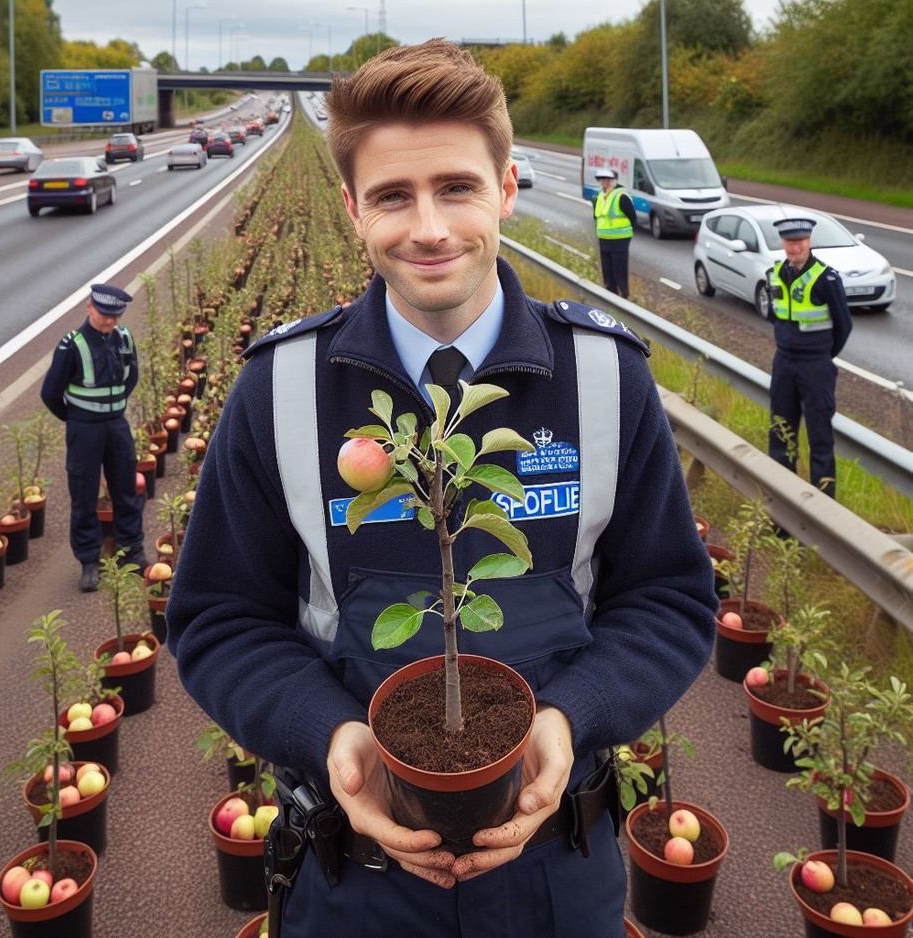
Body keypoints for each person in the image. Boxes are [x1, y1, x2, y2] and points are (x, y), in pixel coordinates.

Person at [166, 39, 716, 938]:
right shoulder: (285, 389)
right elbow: (219, 616)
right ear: (352, 210)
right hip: (353, 875)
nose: (427, 227)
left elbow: (668, 596)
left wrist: (573, 718)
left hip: (558, 870)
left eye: (456, 187)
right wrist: (331, 735)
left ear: (505, 188)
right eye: (392, 195)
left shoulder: (604, 379)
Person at [40, 283, 146, 592]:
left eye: (115, 316)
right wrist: (76, 419)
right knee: (84, 495)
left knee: (126, 488)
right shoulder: (72, 344)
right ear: (89, 308)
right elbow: (49, 393)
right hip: (84, 429)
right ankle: (89, 560)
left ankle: (131, 550)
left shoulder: (123, 338)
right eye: (104, 315)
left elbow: (132, 377)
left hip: (116, 425)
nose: (110, 321)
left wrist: (112, 407)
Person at [767, 217, 852, 499]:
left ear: (809, 241)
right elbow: (774, 316)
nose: (795, 247)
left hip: (816, 366)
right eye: (789, 242)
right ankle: (783, 513)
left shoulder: (826, 278)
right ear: (783, 243)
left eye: (800, 241)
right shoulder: (776, 273)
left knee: (820, 439)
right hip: (784, 364)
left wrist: (822, 357)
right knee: (781, 435)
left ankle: (824, 514)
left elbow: (844, 326)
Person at [593, 167, 637, 298]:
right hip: (604, 240)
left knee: (620, 273)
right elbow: (597, 217)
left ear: (613, 181)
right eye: (601, 180)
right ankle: (611, 301)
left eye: (607, 180)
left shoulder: (621, 196)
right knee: (608, 274)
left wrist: (625, 234)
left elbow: (633, 217)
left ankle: (624, 300)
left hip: (620, 241)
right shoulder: (599, 197)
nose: (604, 183)